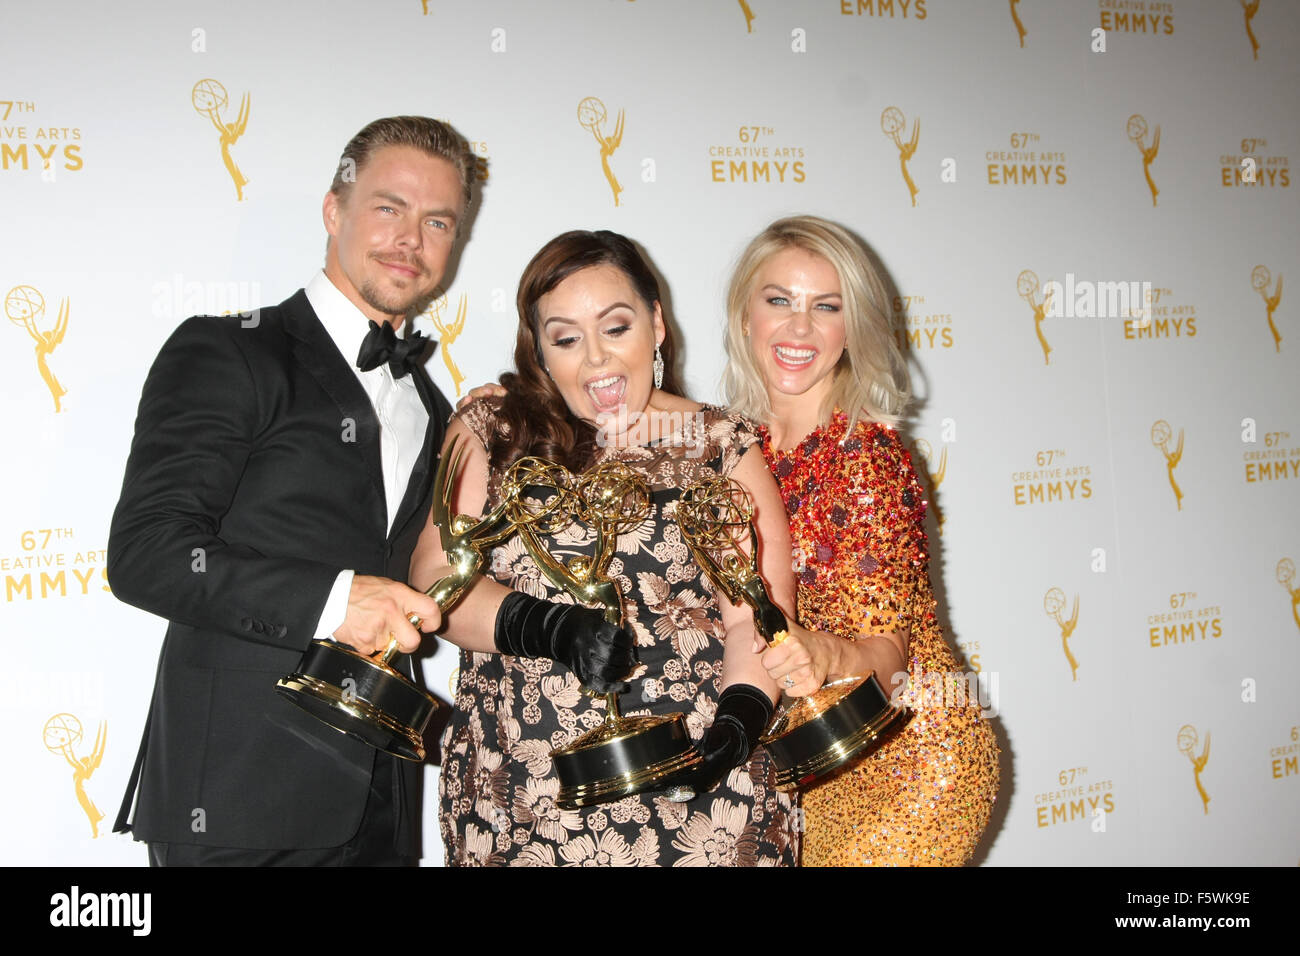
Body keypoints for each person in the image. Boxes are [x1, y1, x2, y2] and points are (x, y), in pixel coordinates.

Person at [107, 116, 476, 866]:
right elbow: (146, 553)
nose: (411, 239)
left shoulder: (437, 409)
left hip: (383, 802)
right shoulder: (230, 350)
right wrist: (339, 600)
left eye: (437, 220)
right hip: (236, 800)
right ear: (333, 211)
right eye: (388, 208)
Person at [409, 230, 801, 866]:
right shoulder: (490, 431)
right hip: (524, 798)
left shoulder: (720, 444)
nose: (594, 359)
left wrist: (736, 728)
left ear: (656, 324)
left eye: (615, 327)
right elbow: (434, 581)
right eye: (565, 338)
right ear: (539, 351)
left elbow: (755, 616)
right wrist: (549, 627)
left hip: (702, 803)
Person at [722, 215, 1000, 866]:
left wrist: (820, 651)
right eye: (779, 301)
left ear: (852, 329)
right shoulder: (733, 451)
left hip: (911, 760)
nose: (798, 328)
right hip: (808, 763)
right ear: (744, 315)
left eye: (826, 307)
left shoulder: (867, 457)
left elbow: (889, 656)